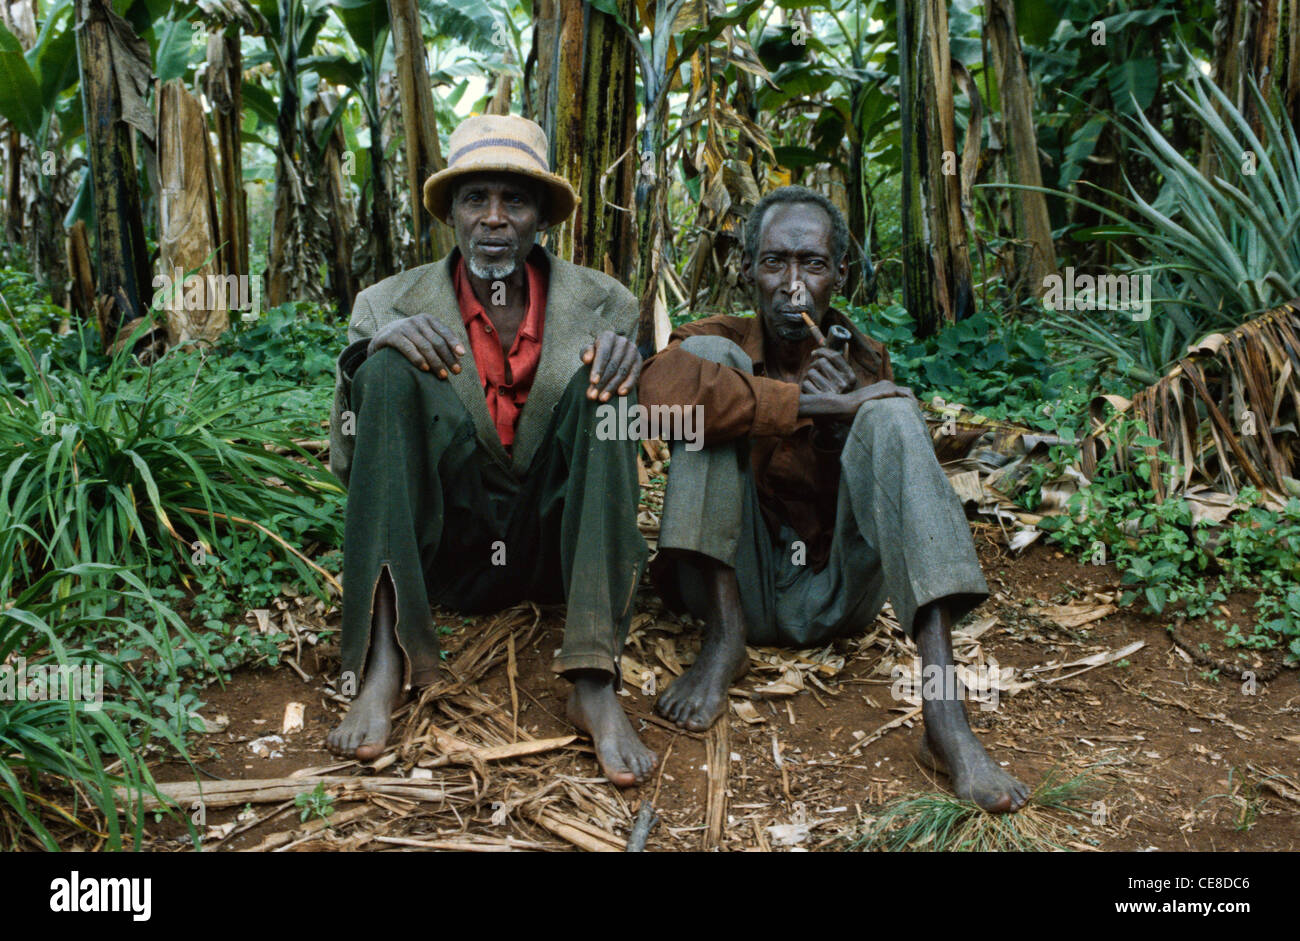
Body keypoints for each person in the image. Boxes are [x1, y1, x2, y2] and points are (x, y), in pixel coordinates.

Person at [637, 186, 1028, 812]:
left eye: (812, 265)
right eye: (774, 263)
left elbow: (868, 501)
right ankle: (724, 643)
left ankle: (946, 720)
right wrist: (808, 404)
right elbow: (658, 400)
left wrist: (843, 423)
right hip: (744, 584)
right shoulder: (717, 336)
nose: (793, 286)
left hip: (836, 596)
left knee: (891, 413)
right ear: (747, 270)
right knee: (709, 371)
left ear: (839, 274)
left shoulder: (863, 360)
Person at [324, 115, 656, 787]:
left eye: (515, 199)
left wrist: (633, 363)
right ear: (452, 212)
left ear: (541, 217)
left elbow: (622, 451)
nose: (495, 217)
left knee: (611, 387)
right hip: (449, 546)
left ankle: (592, 675)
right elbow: (347, 457)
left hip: (550, 551)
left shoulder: (606, 303)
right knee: (385, 369)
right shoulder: (385, 303)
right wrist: (372, 353)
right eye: (476, 198)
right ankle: (385, 657)